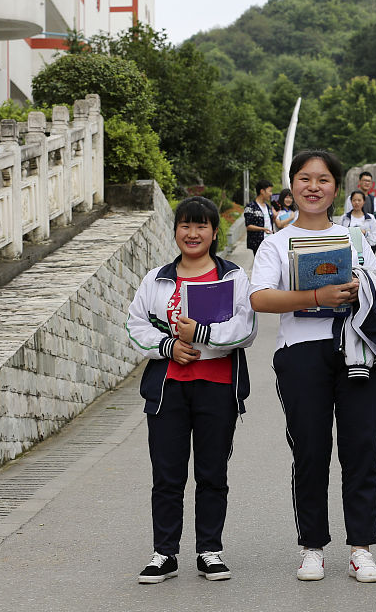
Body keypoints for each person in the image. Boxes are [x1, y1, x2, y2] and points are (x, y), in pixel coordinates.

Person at [250, 151, 376, 584]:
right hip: (301, 353)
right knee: (310, 451)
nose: (314, 187)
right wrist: (316, 297)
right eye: (305, 179)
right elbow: (260, 298)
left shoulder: (353, 237)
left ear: (336, 188)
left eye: (323, 179)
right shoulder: (276, 242)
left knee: (360, 449)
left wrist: (355, 286)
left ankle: (361, 548)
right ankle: (312, 547)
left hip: (355, 352)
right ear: (292, 186)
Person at [126, 196, 258, 584]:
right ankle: (164, 553)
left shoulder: (232, 277)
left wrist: (200, 335)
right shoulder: (157, 279)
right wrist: (168, 346)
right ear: (176, 231)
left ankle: (209, 551)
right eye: (185, 225)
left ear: (215, 232)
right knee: (167, 474)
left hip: (218, 388)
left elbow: (245, 329)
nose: (193, 233)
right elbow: (137, 325)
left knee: (212, 472)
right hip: (168, 389)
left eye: (201, 226)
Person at [340, 190, 376, 255]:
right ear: (351, 201)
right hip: (349, 252)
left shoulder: (371, 218)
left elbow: (375, 238)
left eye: (359, 200)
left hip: (366, 252)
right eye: (354, 200)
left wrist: (365, 233)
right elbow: (340, 237)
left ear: (364, 202)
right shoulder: (344, 218)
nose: (357, 202)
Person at [244, 180, 276, 255]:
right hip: (258, 243)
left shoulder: (267, 206)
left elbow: (270, 222)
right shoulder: (251, 207)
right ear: (262, 191)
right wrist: (263, 229)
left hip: (270, 240)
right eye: (270, 191)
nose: (271, 194)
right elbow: (248, 226)